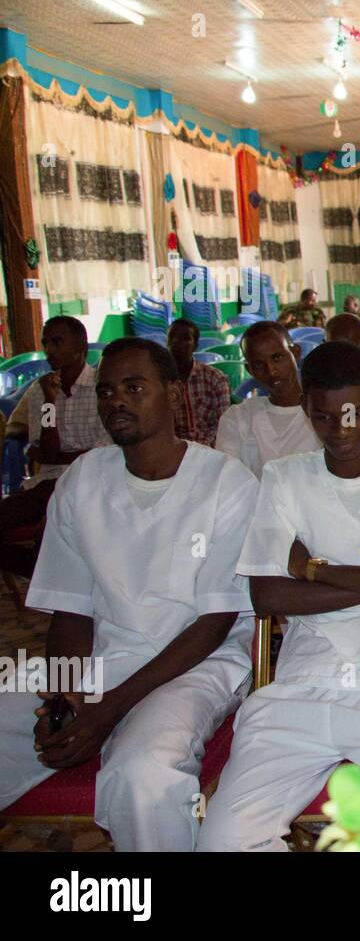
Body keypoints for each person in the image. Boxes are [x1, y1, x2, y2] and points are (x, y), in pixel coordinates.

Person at [198, 342, 360, 851]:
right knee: (222, 840)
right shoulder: (283, 477)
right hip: (304, 683)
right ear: (306, 411)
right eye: (324, 417)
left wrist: (314, 570)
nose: (342, 430)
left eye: (354, 414)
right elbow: (268, 594)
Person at [0, 338, 258, 850]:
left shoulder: (227, 483)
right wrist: (65, 696)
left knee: (144, 774)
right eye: (107, 391)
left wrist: (107, 709)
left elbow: (213, 624)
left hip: (196, 666)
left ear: (174, 394)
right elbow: (70, 610)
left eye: (134, 387)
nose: (116, 401)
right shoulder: (83, 480)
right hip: (101, 661)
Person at [0, 316, 108, 578]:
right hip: (48, 483)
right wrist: (50, 401)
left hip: (91, 485)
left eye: (57, 342)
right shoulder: (42, 391)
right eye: (46, 343)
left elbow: (100, 457)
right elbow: (48, 452)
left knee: (52, 533)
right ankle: (44, 574)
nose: (49, 350)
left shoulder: (101, 388)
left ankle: (52, 575)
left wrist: (59, 456)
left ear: (80, 345)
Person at [215, 321, 320, 478]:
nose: (271, 370)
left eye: (277, 358)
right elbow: (229, 480)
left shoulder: (325, 412)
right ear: (249, 370)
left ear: (295, 353)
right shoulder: (238, 418)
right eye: (258, 365)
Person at [168, 318, 231, 447]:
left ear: (195, 345)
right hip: (173, 452)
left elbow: (224, 425)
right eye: (172, 336)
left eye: (185, 338)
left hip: (210, 449)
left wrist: (202, 451)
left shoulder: (214, 378)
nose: (176, 341)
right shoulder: (160, 381)